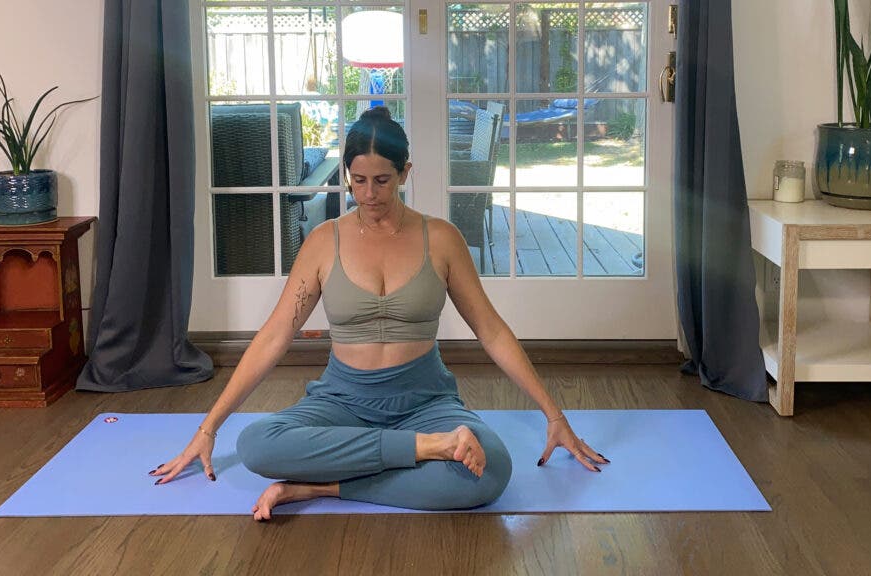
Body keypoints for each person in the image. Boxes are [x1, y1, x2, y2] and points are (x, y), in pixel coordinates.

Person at [151, 106, 608, 520]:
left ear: (405, 172)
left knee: (493, 471)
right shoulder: (322, 243)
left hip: (426, 401)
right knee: (255, 445)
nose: (368, 194)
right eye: (358, 180)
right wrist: (208, 429)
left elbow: (491, 331)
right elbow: (274, 335)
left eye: (382, 181)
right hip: (342, 401)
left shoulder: (442, 240)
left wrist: (554, 415)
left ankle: (318, 487)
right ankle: (423, 450)